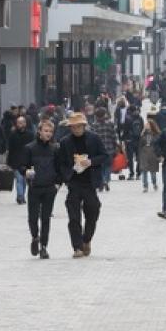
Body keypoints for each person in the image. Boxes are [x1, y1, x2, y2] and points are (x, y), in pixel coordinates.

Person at [54, 112, 107, 257]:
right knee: (74, 216)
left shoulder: (94, 138)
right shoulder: (65, 142)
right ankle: (77, 247)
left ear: (84, 126)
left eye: (79, 126)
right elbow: (61, 163)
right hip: (74, 182)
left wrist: (90, 162)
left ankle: (86, 239)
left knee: (93, 210)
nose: (76, 129)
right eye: (73, 127)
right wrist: (67, 175)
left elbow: (104, 155)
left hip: (90, 182)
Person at [18, 119, 61, 259]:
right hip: (35, 187)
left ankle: (44, 246)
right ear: (39, 132)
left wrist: (57, 183)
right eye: (46, 131)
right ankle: (35, 237)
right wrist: (26, 172)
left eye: (50, 131)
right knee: (33, 217)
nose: (48, 134)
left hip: (49, 187)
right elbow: (22, 165)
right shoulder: (29, 148)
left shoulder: (55, 149)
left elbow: (59, 167)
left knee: (46, 218)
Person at [6, 115, 35, 205]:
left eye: (22, 123)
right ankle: (20, 196)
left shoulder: (30, 134)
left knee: (25, 180)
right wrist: (9, 161)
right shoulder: (13, 135)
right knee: (19, 179)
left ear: (25, 124)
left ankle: (21, 195)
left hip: (27, 161)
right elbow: (10, 148)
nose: (21, 124)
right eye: (19, 123)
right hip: (16, 160)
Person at [91, 107, 119, 192]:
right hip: (109, 149)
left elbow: (92, 138)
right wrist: (116, 146)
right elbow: (114, 137)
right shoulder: (110, 124)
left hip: (98, 150)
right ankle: (106, 180)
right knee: (108, 166)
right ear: (105, 114)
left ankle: (101, 181)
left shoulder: (94, 125)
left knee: (100, 167)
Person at [137, 118, 163, 193]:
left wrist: (160, 155)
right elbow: (140, 145)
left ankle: (154, 183)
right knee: (144, 171)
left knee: (153, 171)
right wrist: (139, 154)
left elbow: (158, 145)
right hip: (144, 153)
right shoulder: (143, 134)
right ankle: (145, 186)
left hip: (153, 153)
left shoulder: (157, 134)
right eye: (146, 124)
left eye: (147, 124)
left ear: (151, 126)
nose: (145, 125)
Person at [123, 106, 144, 180]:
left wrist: (123, 139)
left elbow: (125, 130)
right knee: (139, 157)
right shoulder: (140, 118)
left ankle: (131, 173)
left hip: (129, 140)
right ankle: (138, 173)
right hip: (138, 140)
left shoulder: (128, 118)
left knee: (130, 158)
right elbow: (142, 129)